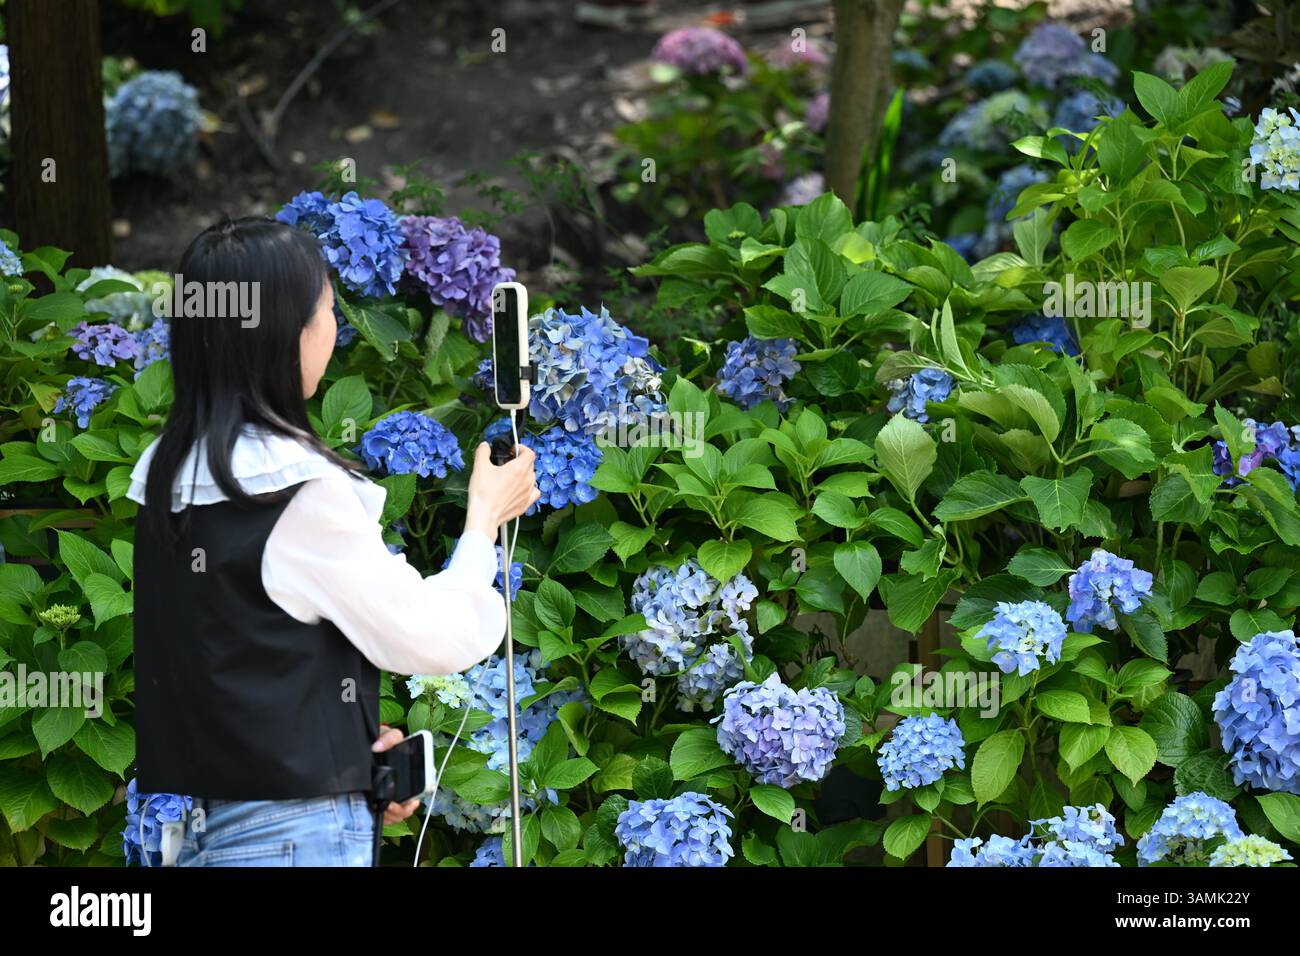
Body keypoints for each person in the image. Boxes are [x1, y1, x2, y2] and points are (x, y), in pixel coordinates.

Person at [127, 217, 539, 866]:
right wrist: (483, 523)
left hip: (193, 837)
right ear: (285, 335)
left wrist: (341, 756)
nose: (333, 330)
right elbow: (430, 636)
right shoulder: (295, 491)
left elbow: (237, 667)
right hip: (294, 842)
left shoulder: (166, 480)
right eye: (325, 310)